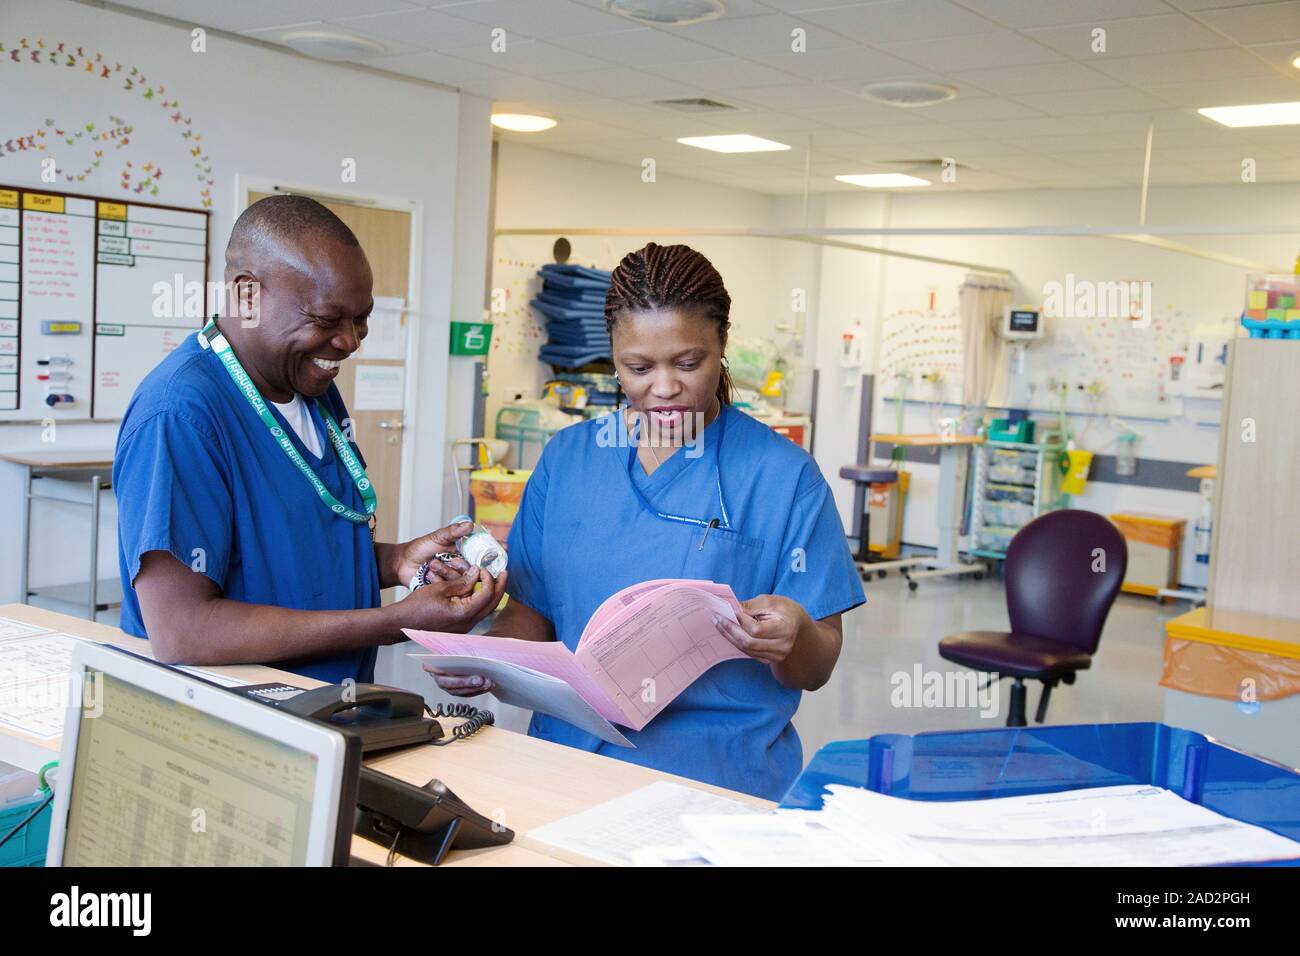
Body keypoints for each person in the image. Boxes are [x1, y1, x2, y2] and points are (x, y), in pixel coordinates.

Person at [428, 242, 863, 799]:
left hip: (713, 778)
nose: (663, 388)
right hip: (566, 763)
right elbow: (533, 614)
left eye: (688, 363)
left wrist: (795, 635)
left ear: (721, 345)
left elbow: (817, 662)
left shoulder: (783, 477)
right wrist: (487, 659)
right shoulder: (569, 460)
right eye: (638, 367)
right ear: (613, 356)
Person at [113, 195, 505, 683]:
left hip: (326, 707)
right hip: (235, 726)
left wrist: (397, 560)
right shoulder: (181, 415)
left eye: (361, 318)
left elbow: (296, 556)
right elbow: (184, 631)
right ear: (247, 295)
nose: (350, 341)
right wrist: (391, 622)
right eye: (326, 319)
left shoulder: (307, 386)